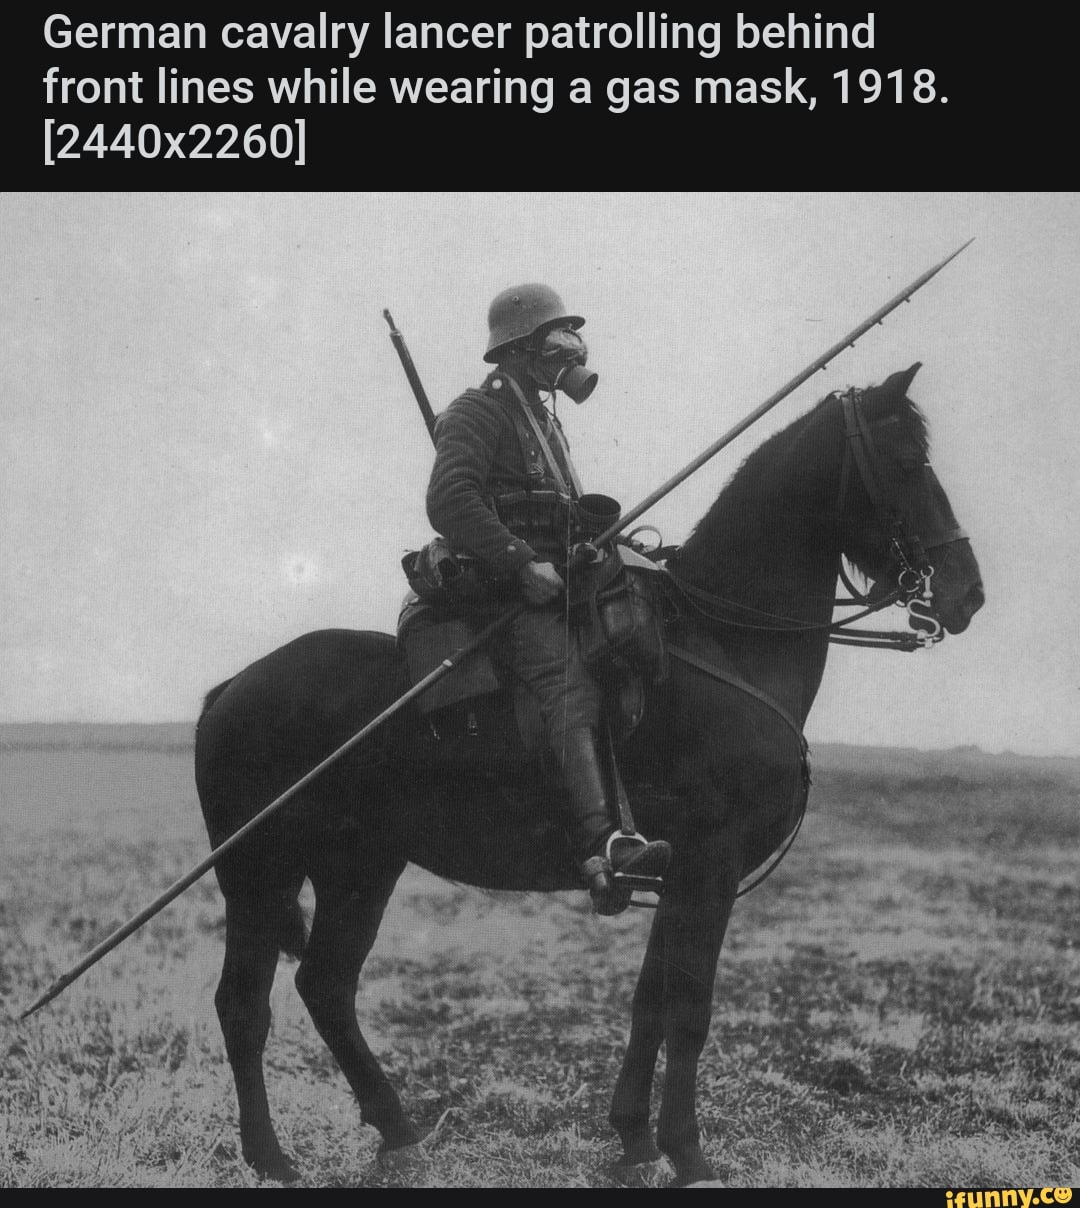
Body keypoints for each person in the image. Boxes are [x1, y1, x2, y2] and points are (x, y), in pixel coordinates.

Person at [424, 283, 671, 912]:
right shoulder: (478, 412)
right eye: (555, 341)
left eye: (570, 340)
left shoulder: (543, 420)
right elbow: (451, 500)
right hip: (508, 594)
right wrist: (519, 562)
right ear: (520, 349)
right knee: (567, 680)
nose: (567, 354)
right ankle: (603, 848)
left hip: (561, 582)